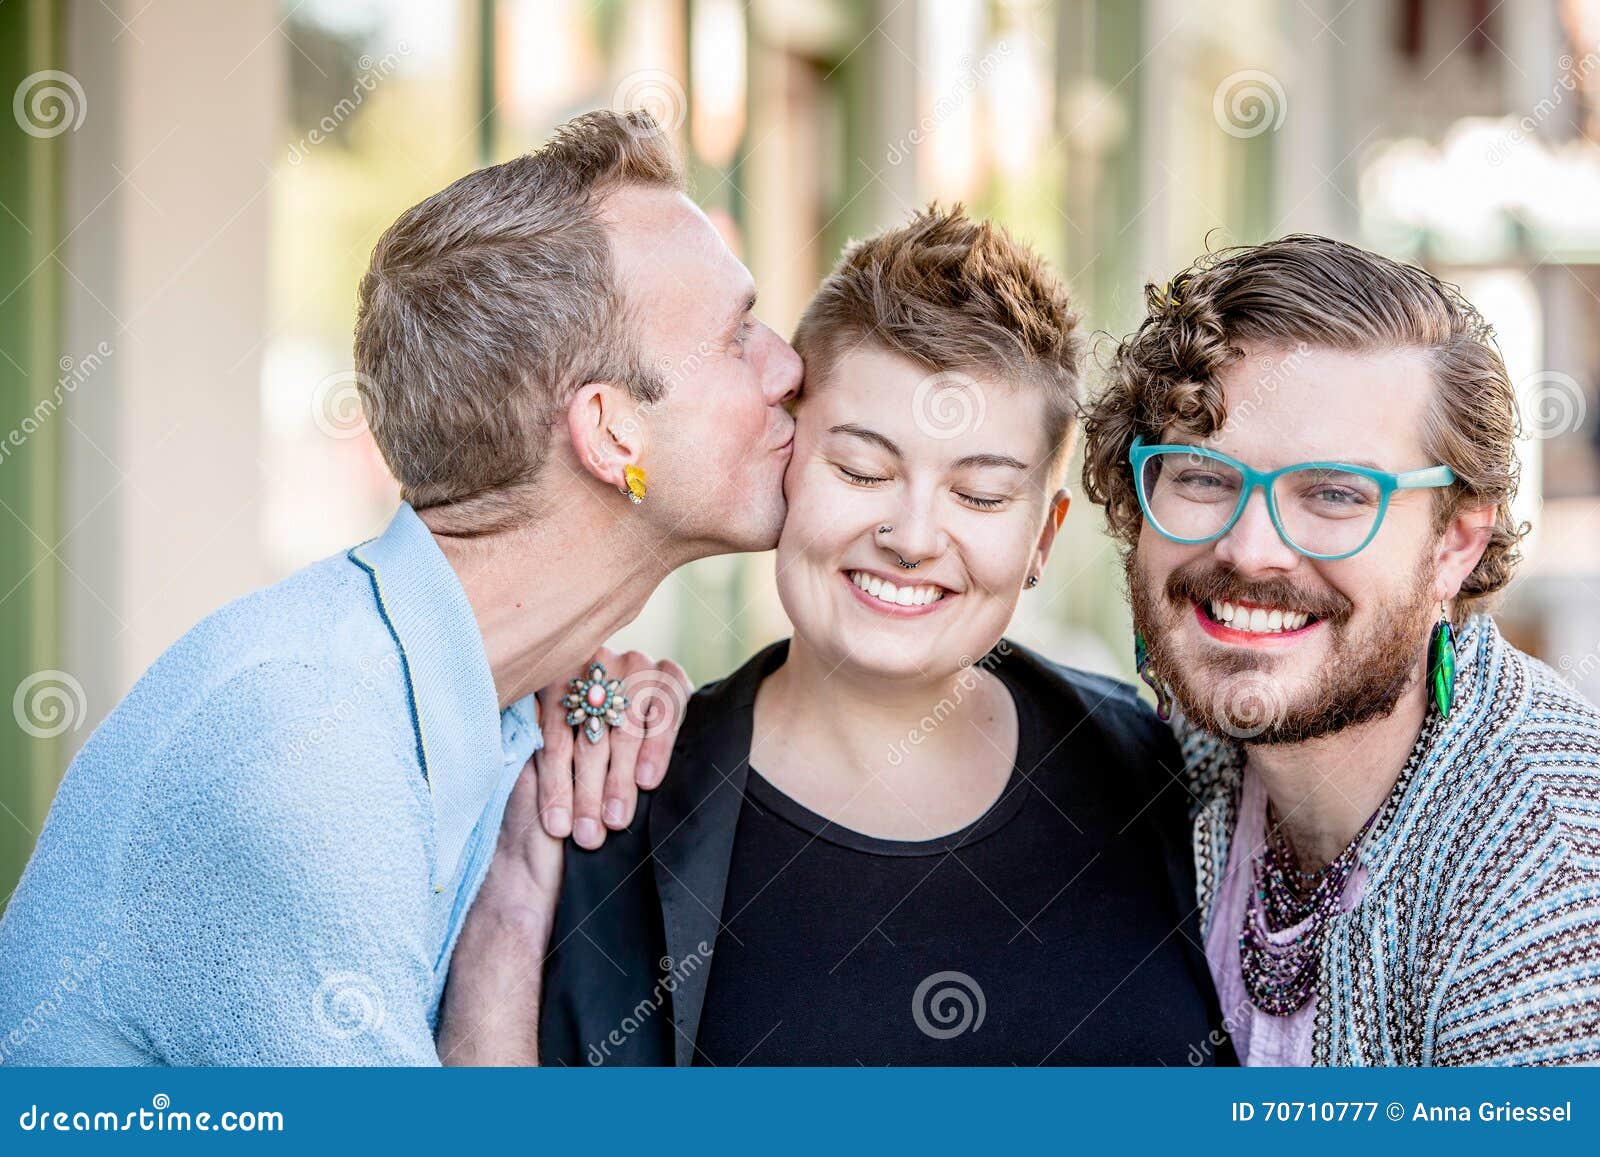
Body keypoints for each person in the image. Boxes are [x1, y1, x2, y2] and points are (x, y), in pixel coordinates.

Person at [0, 110, 793, 1065]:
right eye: (738, 332)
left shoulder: (494, 705)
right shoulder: (304, 748)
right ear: (612, 433)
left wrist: (528, 860)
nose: (788, 364)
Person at [472, 206, 1231, 1066]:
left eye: (979, 494)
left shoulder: (1165, 780)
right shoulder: (611, 799)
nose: (911, 535)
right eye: (862, 469)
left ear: (1043, 538)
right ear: (785, 462)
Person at [1080, 234, 1600, 1065]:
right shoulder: (1165, 766)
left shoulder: (1556, 872)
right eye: (1204, 476)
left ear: (1456, 545)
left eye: (1333, 493)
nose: (1250, 551)